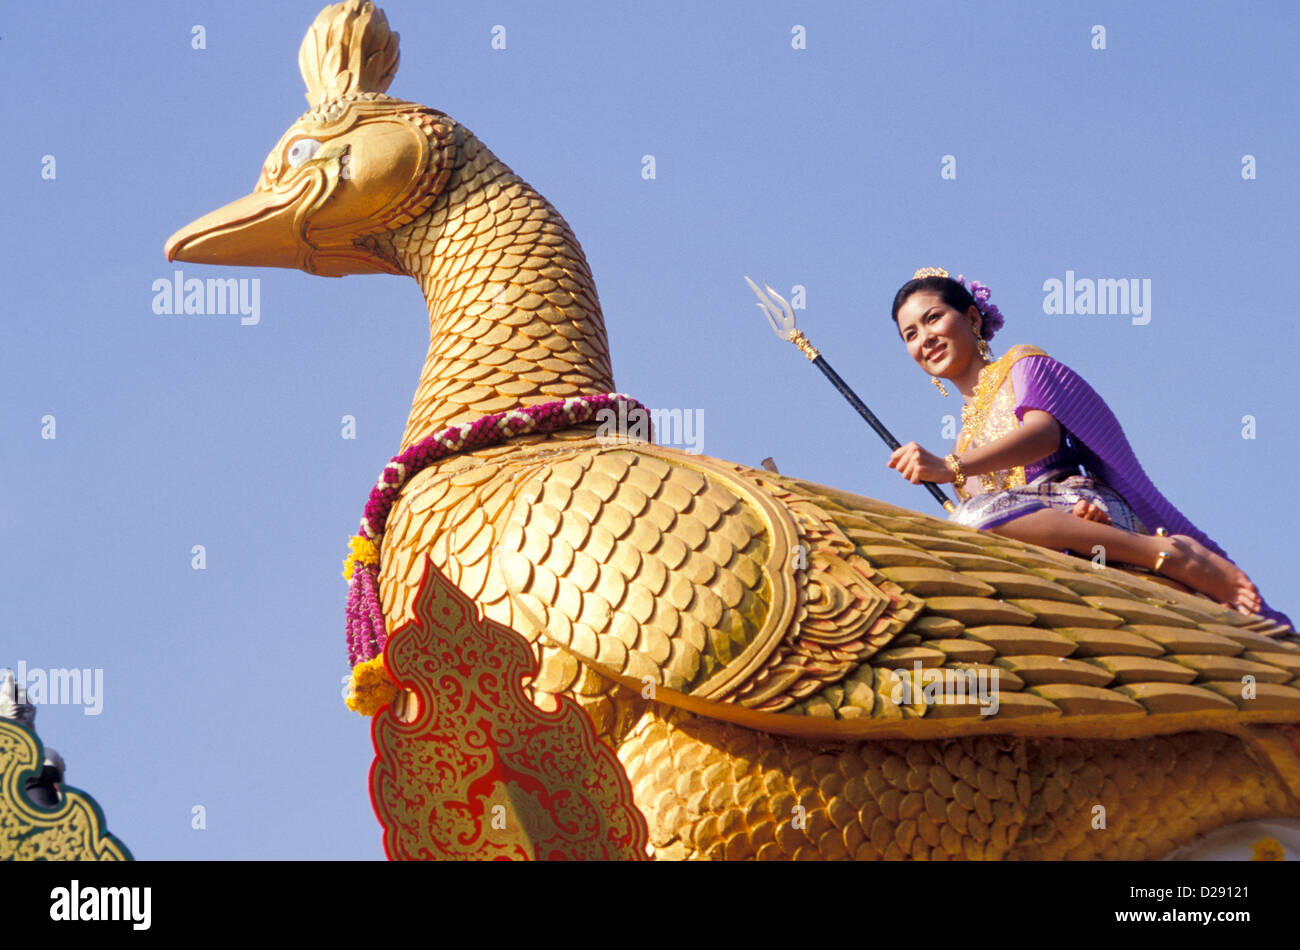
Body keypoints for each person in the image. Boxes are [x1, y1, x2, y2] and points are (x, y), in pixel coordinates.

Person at [886, 267, 1292, 627]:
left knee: (972, 517)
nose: (925, 338)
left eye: (933, 318)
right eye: (911, 334)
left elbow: (1042, 436)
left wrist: (951, 467)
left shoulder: (1022, 365)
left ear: (972, 317)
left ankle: (1162, 552)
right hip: (1058, 539)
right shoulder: (962, 438)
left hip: (1081, 497)